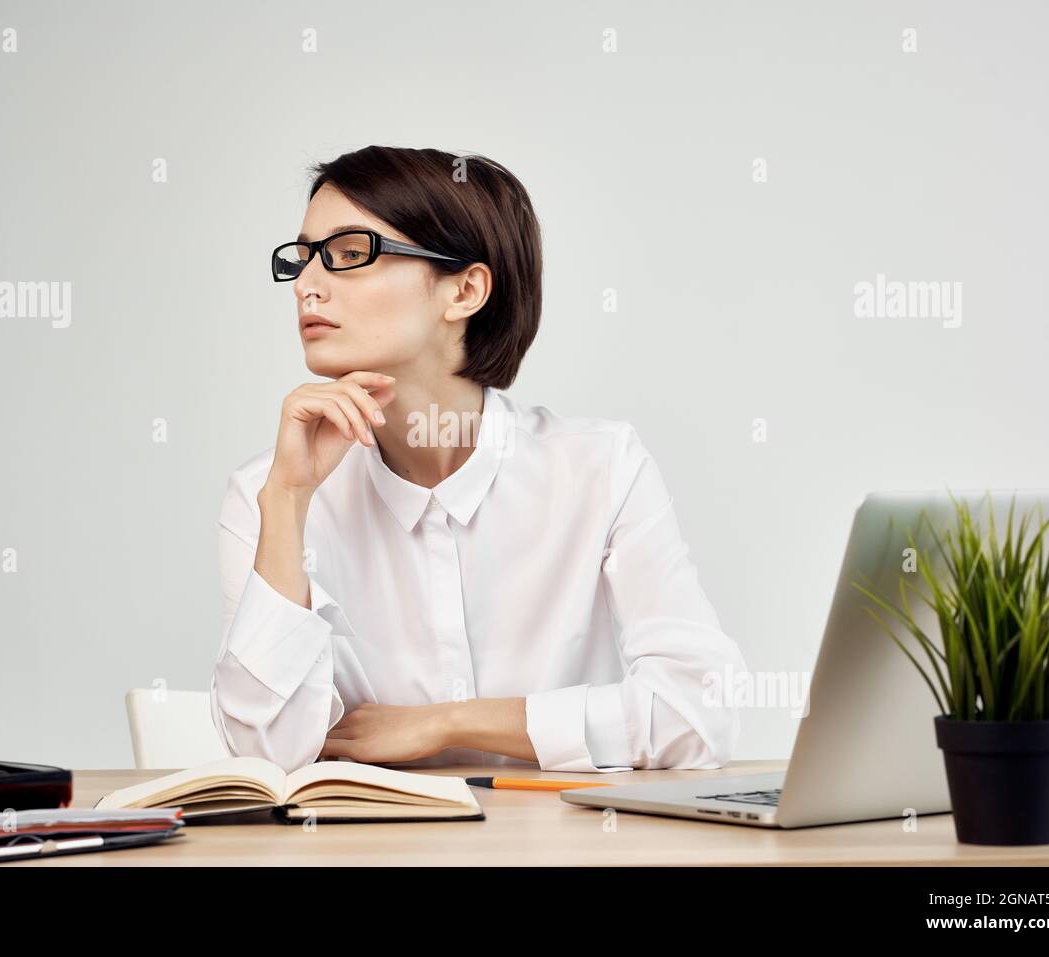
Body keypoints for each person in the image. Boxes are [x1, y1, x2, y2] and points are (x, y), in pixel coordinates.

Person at [210, 145, 747, 775]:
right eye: (303, 258)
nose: (308, 283)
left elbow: (702, 711)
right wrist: (287, 501)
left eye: (351, 254)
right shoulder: (268, 494)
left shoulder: (600, 469)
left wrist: (446, 723)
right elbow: (263, 759)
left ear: (465, 289)